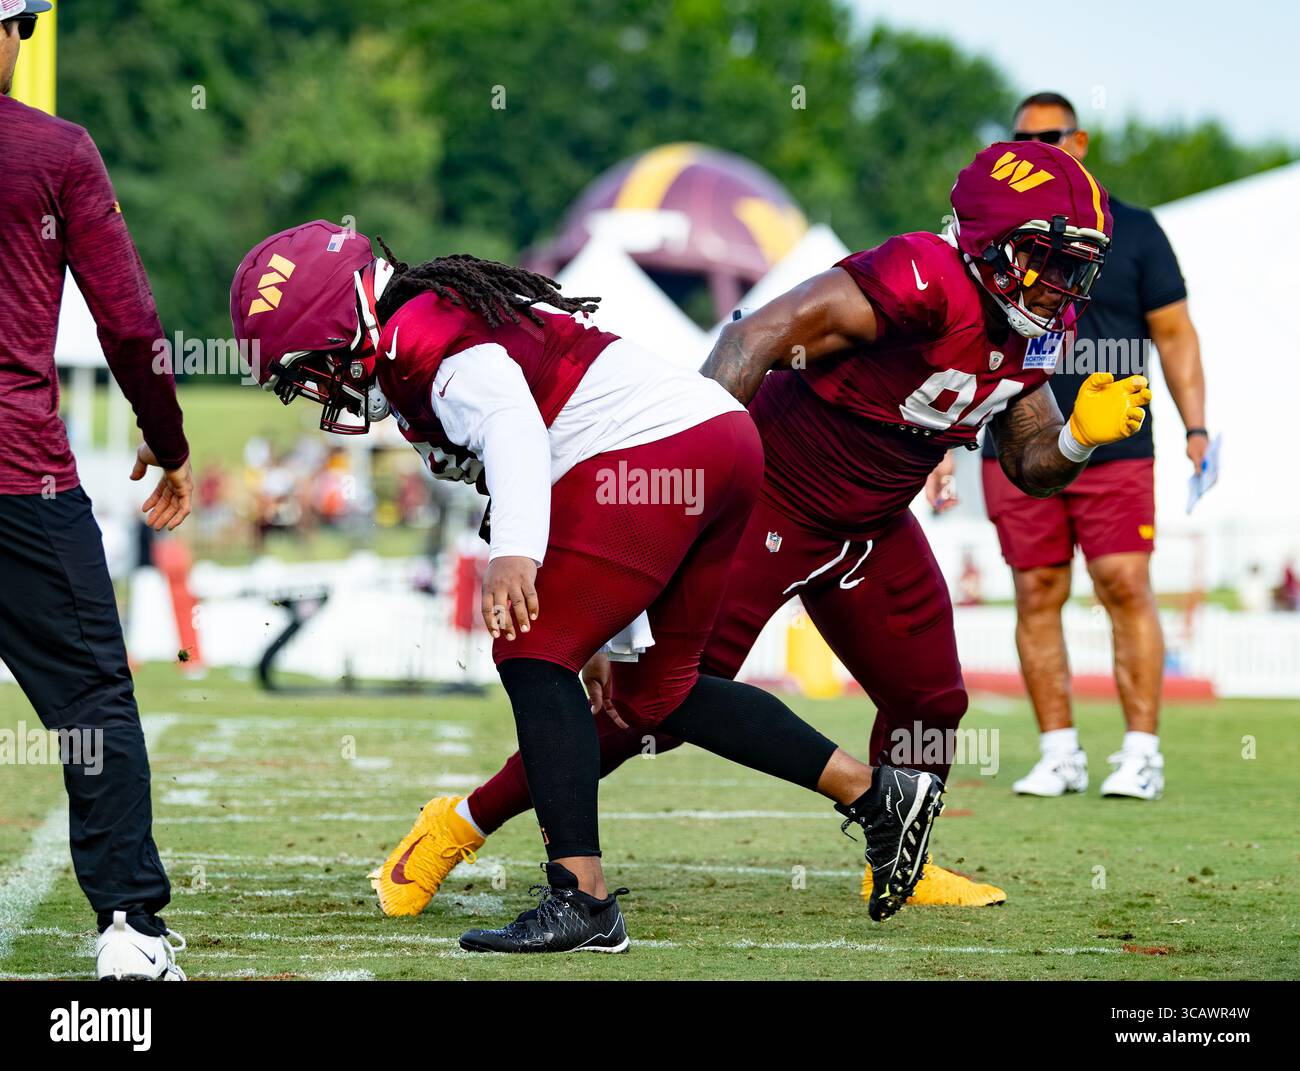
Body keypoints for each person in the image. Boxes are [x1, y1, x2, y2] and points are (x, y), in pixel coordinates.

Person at [368, 141, 1152, 919]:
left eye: (1075, 264)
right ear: (987, 243)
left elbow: (1029, 463)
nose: (1059, 283)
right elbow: (752, 339)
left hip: (872, 524)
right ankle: (457, 824)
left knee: (931, 698)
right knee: (650, 708)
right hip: (769, 500)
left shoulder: (1039, 326)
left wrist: (1078, 436)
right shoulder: (922, 279)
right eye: (1042, 257)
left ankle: (898, 863)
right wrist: (687, 500)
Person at [231, 221, 949, 953]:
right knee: (656, 694)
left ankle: (582, 898)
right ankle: (876, 792)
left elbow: (517, 428)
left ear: (345, 314)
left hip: (654, 453)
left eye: (312, 367)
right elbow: (560, 439)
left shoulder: (419, 340)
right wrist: (609, 629)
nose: (320, 387)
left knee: (528, 648)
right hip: (719, 444)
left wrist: (514, 553)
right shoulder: (430, 315)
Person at [0, 0, 192, 980]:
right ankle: (129, 927)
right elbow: (127, 320)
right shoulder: (54, 151)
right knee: (86, 699)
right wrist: (168, 439)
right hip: (16, 475)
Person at [981, 93, 1209, 801]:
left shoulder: (1135, 229)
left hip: (1117, 443)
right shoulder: (999, 230)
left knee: (1123, 584)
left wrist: (1196, 428)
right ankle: (1060, 753)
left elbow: (1175, 334)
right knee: (1036, 590)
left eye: (1047, 137)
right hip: (1016, 440)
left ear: (1078, 140)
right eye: (1021, 138)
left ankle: (1141, 753)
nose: (1034, 147)